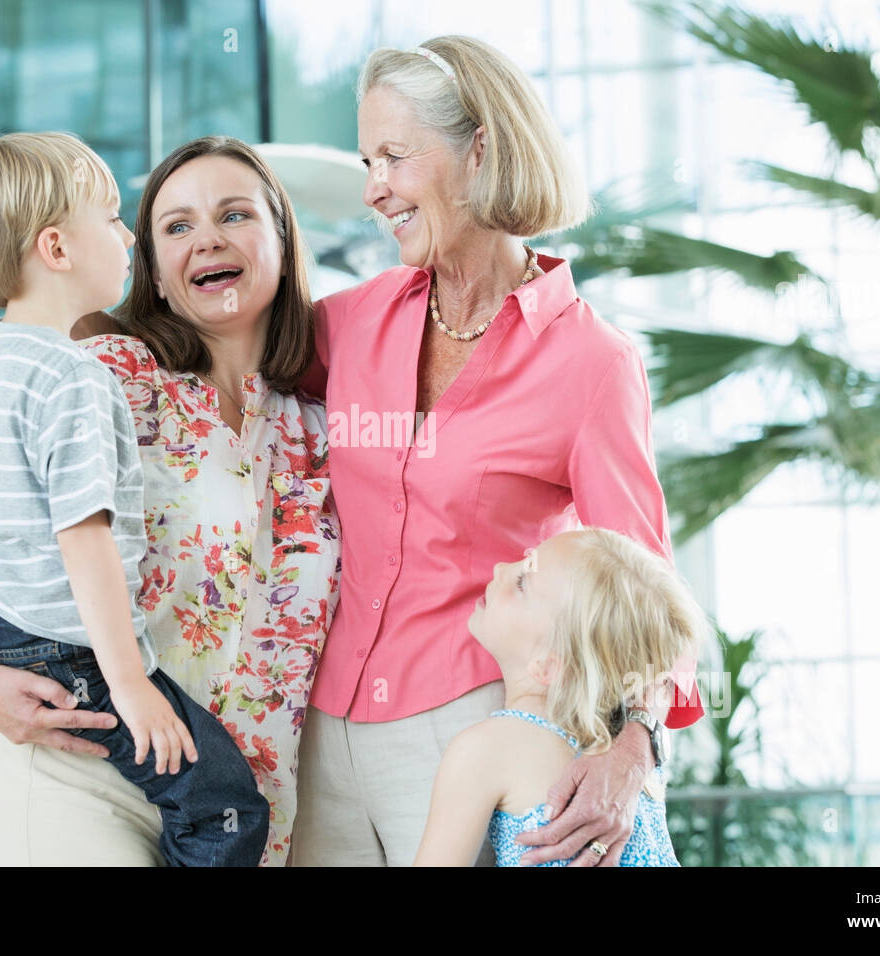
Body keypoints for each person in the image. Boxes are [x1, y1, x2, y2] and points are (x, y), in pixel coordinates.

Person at [288, 35, 704, 868]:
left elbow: (644, 594)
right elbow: (215, 378)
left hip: (476, 729)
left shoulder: (592, 363)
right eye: (368, 160)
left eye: (395, 158)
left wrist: (636, 749)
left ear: (479, 152)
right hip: (321, 735)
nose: (374, 189)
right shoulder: (349, 322)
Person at [0, 135, 336, 865]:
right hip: (76, 773)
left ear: (284, 240)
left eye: (235, 215)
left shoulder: (317, 428)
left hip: (229, 809)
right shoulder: (104, 372)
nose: (208, 240)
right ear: (153, 271)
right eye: (177, 226)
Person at [413, 528, 708, 866]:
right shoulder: (637, 769)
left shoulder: (484, 750)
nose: (498, 569)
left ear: (550, 664)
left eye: (523, 582)